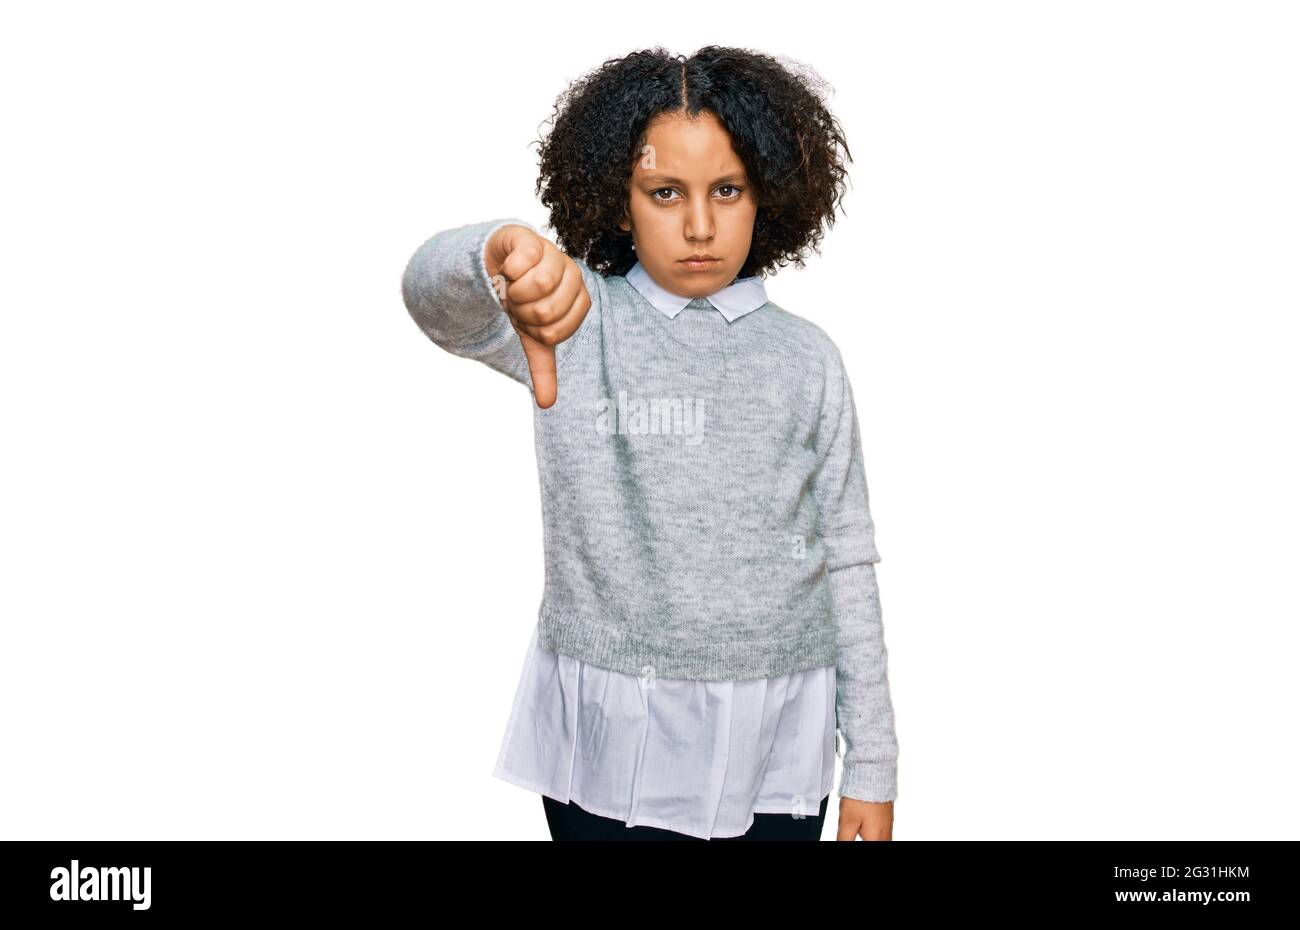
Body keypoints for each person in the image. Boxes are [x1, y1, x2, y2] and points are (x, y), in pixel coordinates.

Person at [401, 46, 898, 841]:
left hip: (777, 742)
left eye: (727, 190)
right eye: (665, 192)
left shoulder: (809, 359)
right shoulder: (571, 318)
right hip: (611, 740)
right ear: (617, 197)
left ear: (766, 194)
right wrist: (495, 253)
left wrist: (871, 765)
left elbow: (846, 555)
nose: (699, 225)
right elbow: (435, 303)